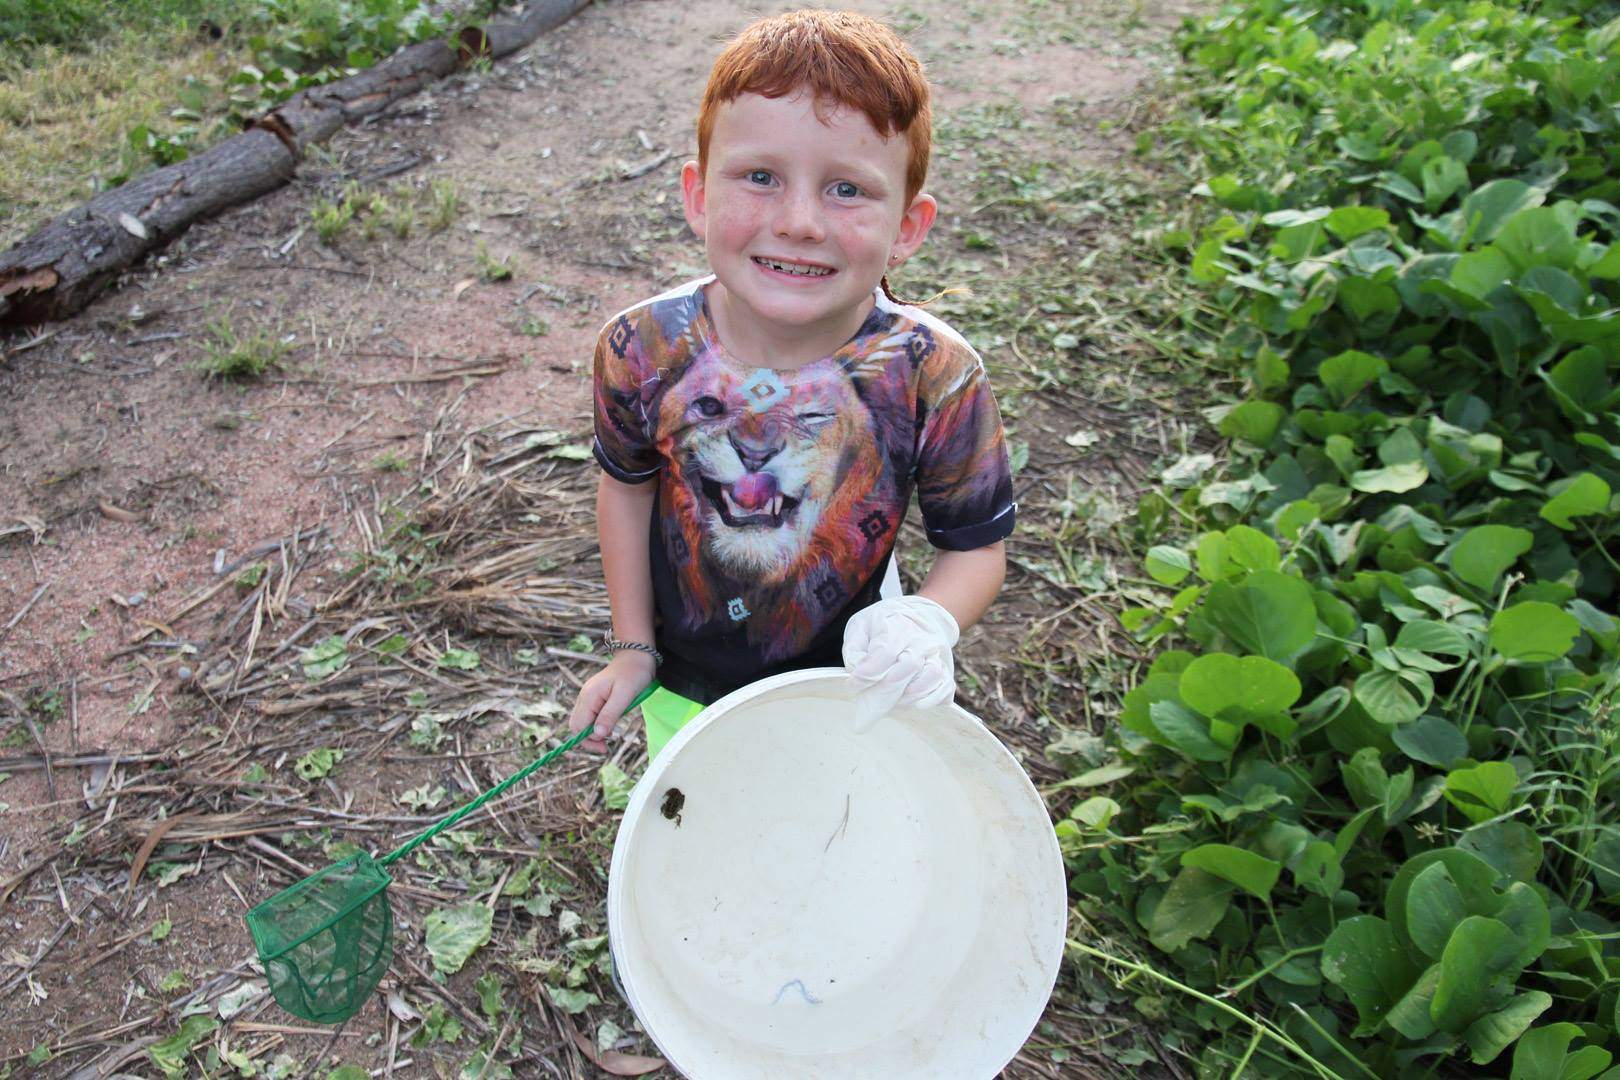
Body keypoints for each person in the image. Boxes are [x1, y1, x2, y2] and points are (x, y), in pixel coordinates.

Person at [567, 9, 1015, 759]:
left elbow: (975, 549)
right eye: (761, 177)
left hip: (858, 687)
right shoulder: (640, 348)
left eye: (847, 189)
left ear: (908, 225)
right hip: (685, 686)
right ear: (699, 195)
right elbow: (627, 486)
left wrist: (927, 623)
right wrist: (633, 648)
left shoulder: (932, 371)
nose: (800, 221)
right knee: (700, 815)